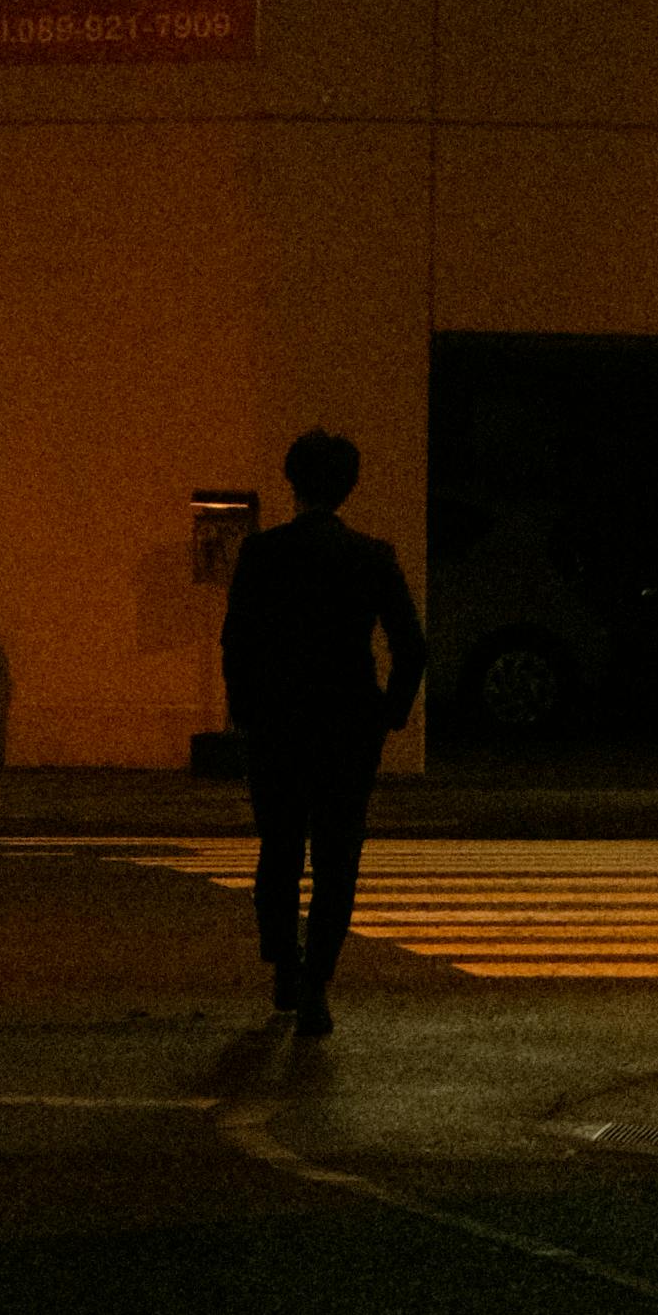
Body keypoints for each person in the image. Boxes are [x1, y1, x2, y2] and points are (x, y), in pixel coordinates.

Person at [219, 428, 426, 1036]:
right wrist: (391, 710)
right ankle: (317, 984)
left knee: (279, 848)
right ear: (348, 486)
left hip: (279, 721)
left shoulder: (262, 554)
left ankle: (283, 962)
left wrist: (246, 709)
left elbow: (237, 641)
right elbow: (410, 645)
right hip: (347, 723)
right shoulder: (373, 556)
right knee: (338, 857)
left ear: (293, 480)